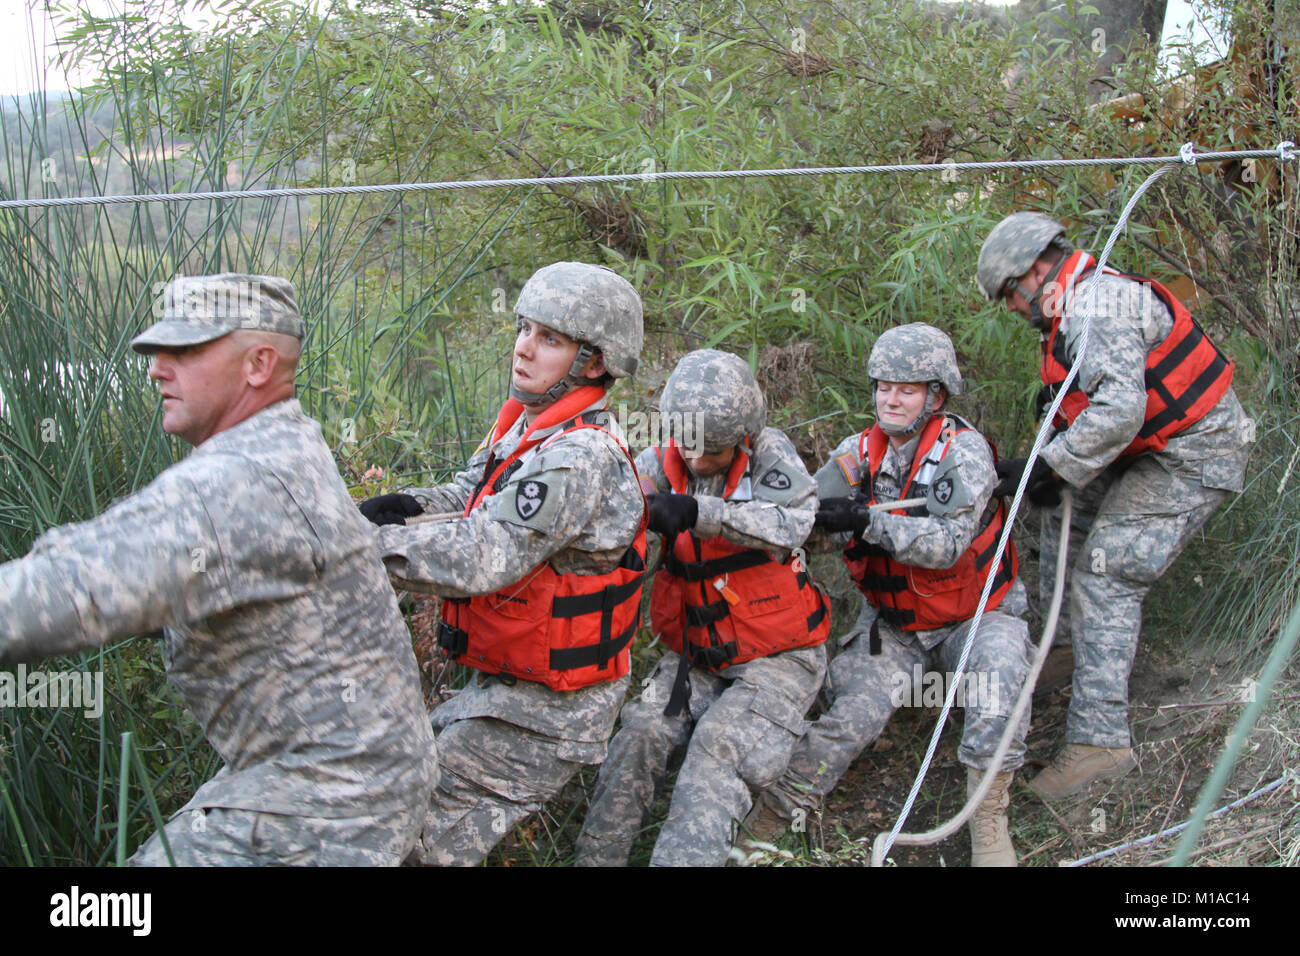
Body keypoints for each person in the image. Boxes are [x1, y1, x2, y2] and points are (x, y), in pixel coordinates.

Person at [0, 274, 438, 865]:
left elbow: (59, 594)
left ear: (258, 364)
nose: (156, 369)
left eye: (182, 351)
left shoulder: (232, 484)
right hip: (370, 779)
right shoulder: (292, 443)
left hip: (324, 805)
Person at [362, 261, 646, 866]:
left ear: (591, 363)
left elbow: (483, 552)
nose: (523, 348)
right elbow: (470, 495)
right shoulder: (530, 427)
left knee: (394, 836)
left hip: (551, 717)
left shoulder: (578, 457)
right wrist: (396, 510)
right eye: (524, 328)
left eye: (550, 339)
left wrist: (349, 552)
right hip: (510, 691)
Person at [976, 212, 1250, 799]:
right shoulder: (1075, 303)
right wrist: (1044, 472)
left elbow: (1118, 412)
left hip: (1193, 455)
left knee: (1107, 575)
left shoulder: (1097, 307)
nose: (1011, 309)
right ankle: (1067, 648)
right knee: (1059, 504)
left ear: (1035, 272)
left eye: (1008, 295)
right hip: (1143, 449)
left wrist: (1050, 465)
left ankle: (1100, 742)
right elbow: (1087, 408)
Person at [751, 323, 1032, 866]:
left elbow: (948, 545)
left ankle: (988, 819)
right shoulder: (857, 453)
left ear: (935, 396)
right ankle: (772, 819)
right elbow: (803, 521)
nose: (891, 399)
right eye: (883, 386)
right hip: (896, 628)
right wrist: (815, 524)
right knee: (851, 715)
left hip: (977, 616)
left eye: (906, 389)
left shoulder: (964, 452)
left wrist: (866, 523)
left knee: (997, 683)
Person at [573, 349, 830, 867]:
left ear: (740, 437)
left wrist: (700, 512)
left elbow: (794, 524)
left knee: (716, 748)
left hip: (779, 659)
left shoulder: (769, 453)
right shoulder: (664, 456)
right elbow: (619, 508)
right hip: (698, 654)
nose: (692, 458)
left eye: (708, 450)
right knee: (642, 730)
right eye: (685, 443)